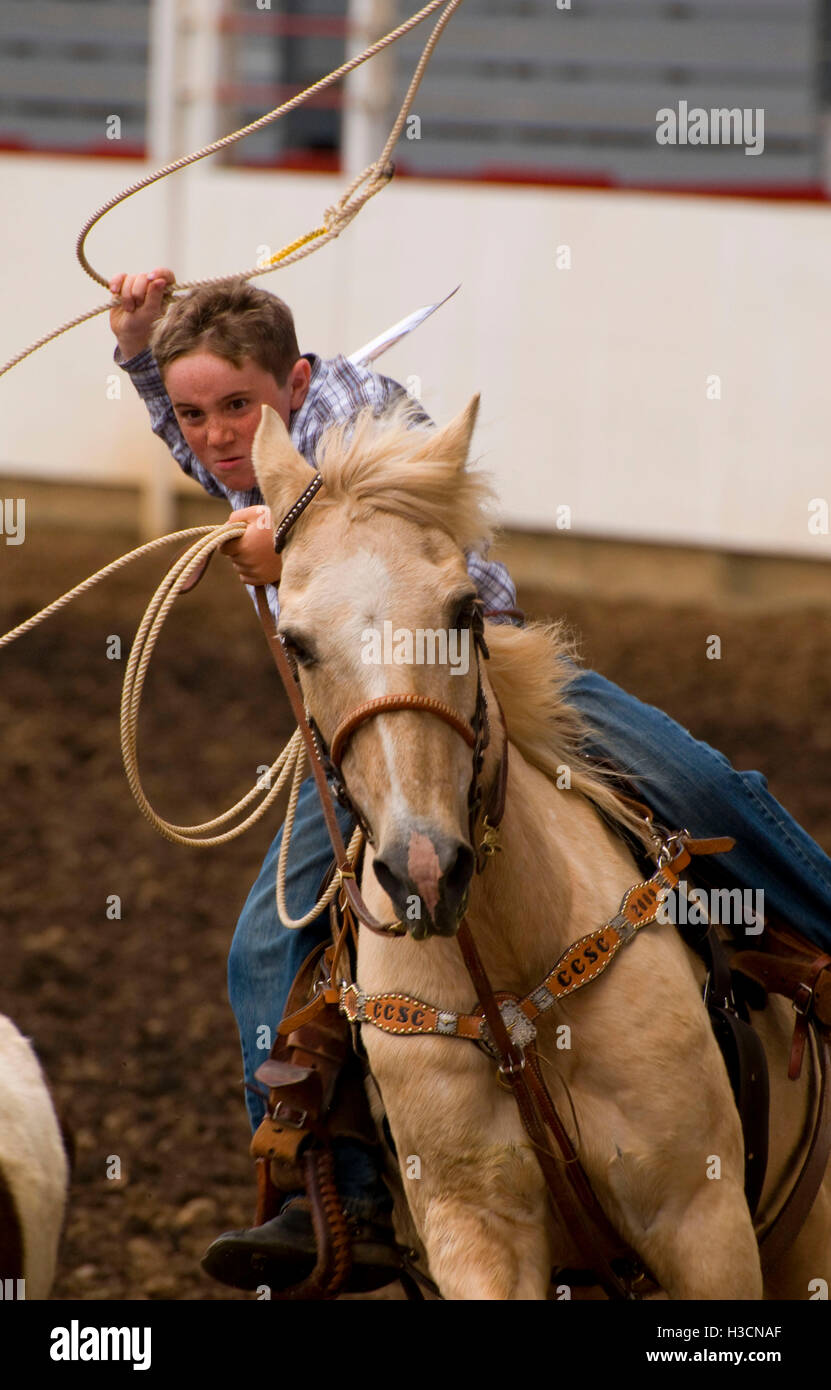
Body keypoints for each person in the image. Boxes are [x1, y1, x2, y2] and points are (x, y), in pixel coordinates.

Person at [111, 269, 831, 1295]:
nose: (219, 435)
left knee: (699, 786)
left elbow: (395, 496)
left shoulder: (355, 407)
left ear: (297, 378)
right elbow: (210, 447)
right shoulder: (247, 455)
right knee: (264, 943)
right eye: (193, 414)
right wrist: (141, 350)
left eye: (238, 406)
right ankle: (330, 1189)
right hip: (360, 723)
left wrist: (298, 528)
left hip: (484, 670)